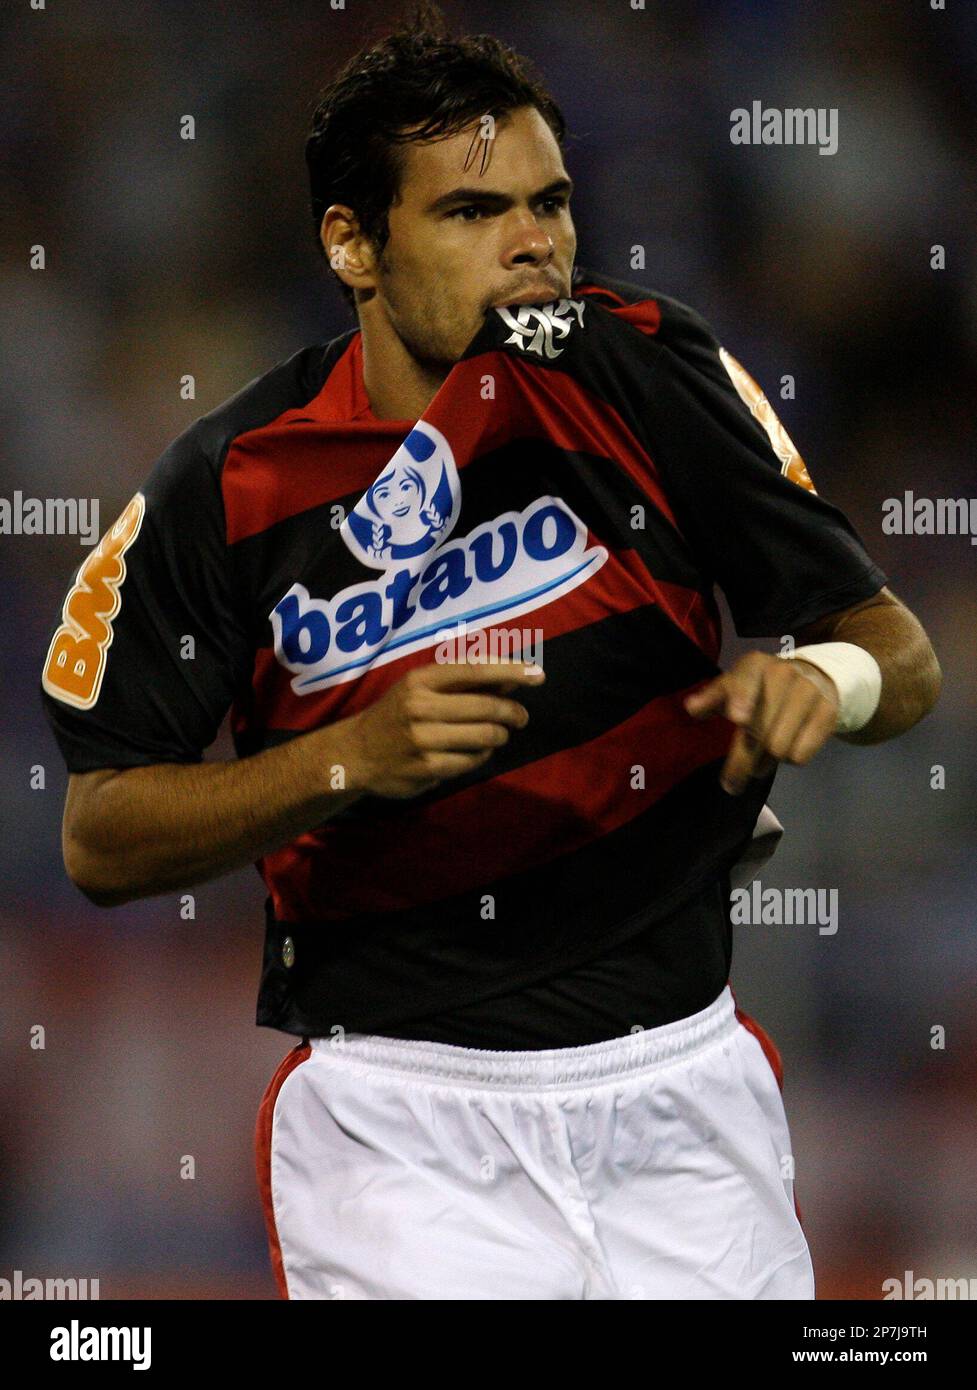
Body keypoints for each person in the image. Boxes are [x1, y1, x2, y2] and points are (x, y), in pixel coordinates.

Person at [40, 2, 941, 1300]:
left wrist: (821, 678)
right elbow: (98, 834)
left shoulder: (651, 371)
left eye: (551, 203)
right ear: (350, 242)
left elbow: (895, 655)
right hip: (405, 1126)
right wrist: (342, 760)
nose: (533, 245)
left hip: (684, 1094)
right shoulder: (229, 484)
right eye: (472, 213)